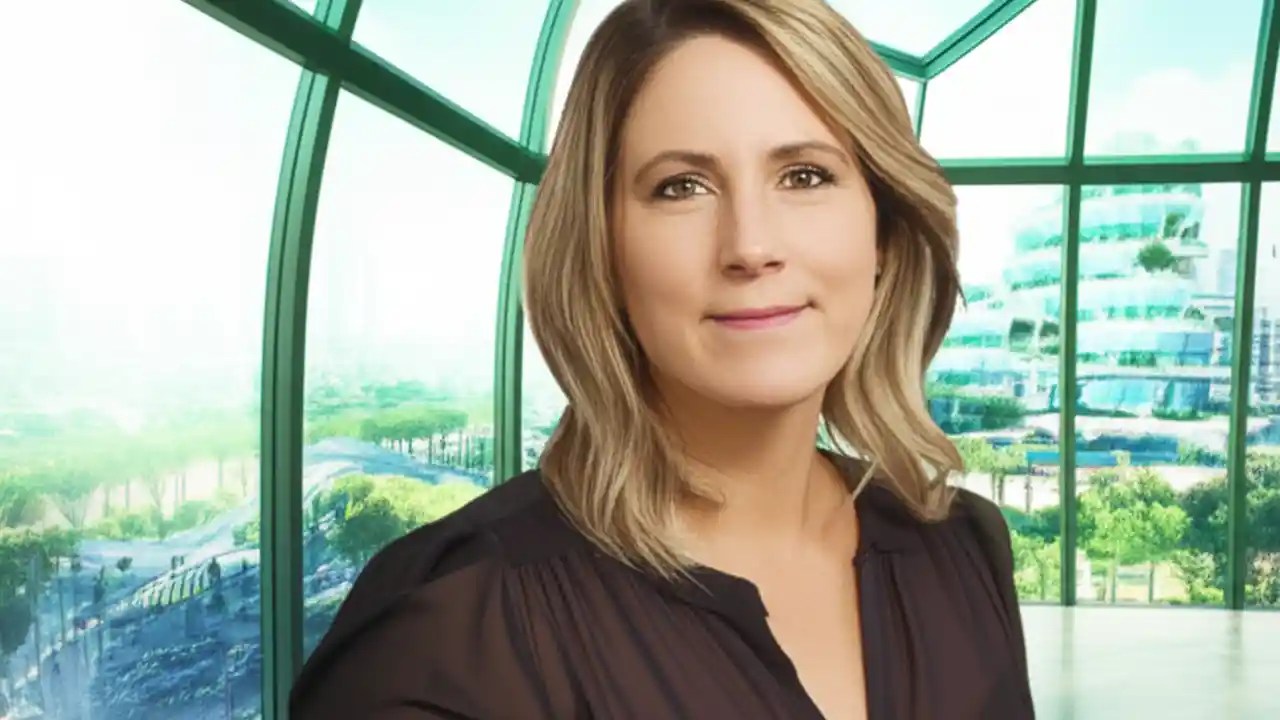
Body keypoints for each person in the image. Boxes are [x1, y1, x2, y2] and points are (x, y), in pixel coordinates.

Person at [290, 0, 1034, 717]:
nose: (750, 246)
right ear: (603, 249)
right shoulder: (457, 628)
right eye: (682, 187)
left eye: (804, 175)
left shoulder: (963, 549)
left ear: (883, 232)